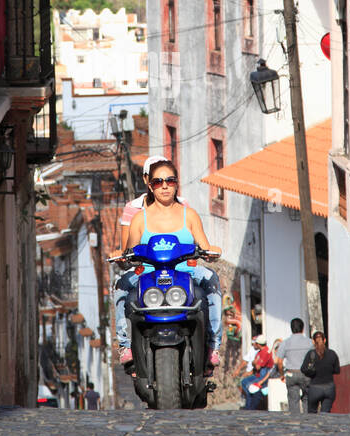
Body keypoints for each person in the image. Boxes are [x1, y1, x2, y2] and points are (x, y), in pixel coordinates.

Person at [117, 158, 223, 369]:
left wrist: (212, 252)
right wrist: (122, 256)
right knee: (120, 287)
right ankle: (125, 344)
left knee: (211, 279)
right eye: (158, 182)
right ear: (150, 185)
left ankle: (213, 345)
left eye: (170, 180)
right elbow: (128, 253)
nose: (164, 186)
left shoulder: (189, 215)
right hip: (147, 272)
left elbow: (205, 245)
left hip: (186, 270)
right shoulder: (139, 218)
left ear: (176, 183)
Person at [276, 318, 313, 414]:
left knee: (293, 399)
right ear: (303, 328)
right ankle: (308, 418)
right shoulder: (309, 342)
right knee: (307, 398)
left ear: (291, 328)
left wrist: (281, 375)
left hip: (291, 373)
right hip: (306, 374)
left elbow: (279, 362)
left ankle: (295, 420)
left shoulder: (285, 343)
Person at [303, 330, 341, 414]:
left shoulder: (311, 354)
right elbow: (337, 370)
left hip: (314, 388)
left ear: (313, 341)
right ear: (325, 340)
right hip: (329, 388)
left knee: (312, 414)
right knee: (325, 414)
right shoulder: (332, 354)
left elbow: (303, 369)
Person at [240, 335, 274, 410]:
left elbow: (258, 366)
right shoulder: (260, 352)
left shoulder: (265, 352)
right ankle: (249, 404)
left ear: (258, 344)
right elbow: (255, 364)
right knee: (244, 382)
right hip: (258, 374)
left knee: (248, 385)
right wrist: (254, 363)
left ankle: (250, 406)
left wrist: (254, 363)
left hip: (262, 375)